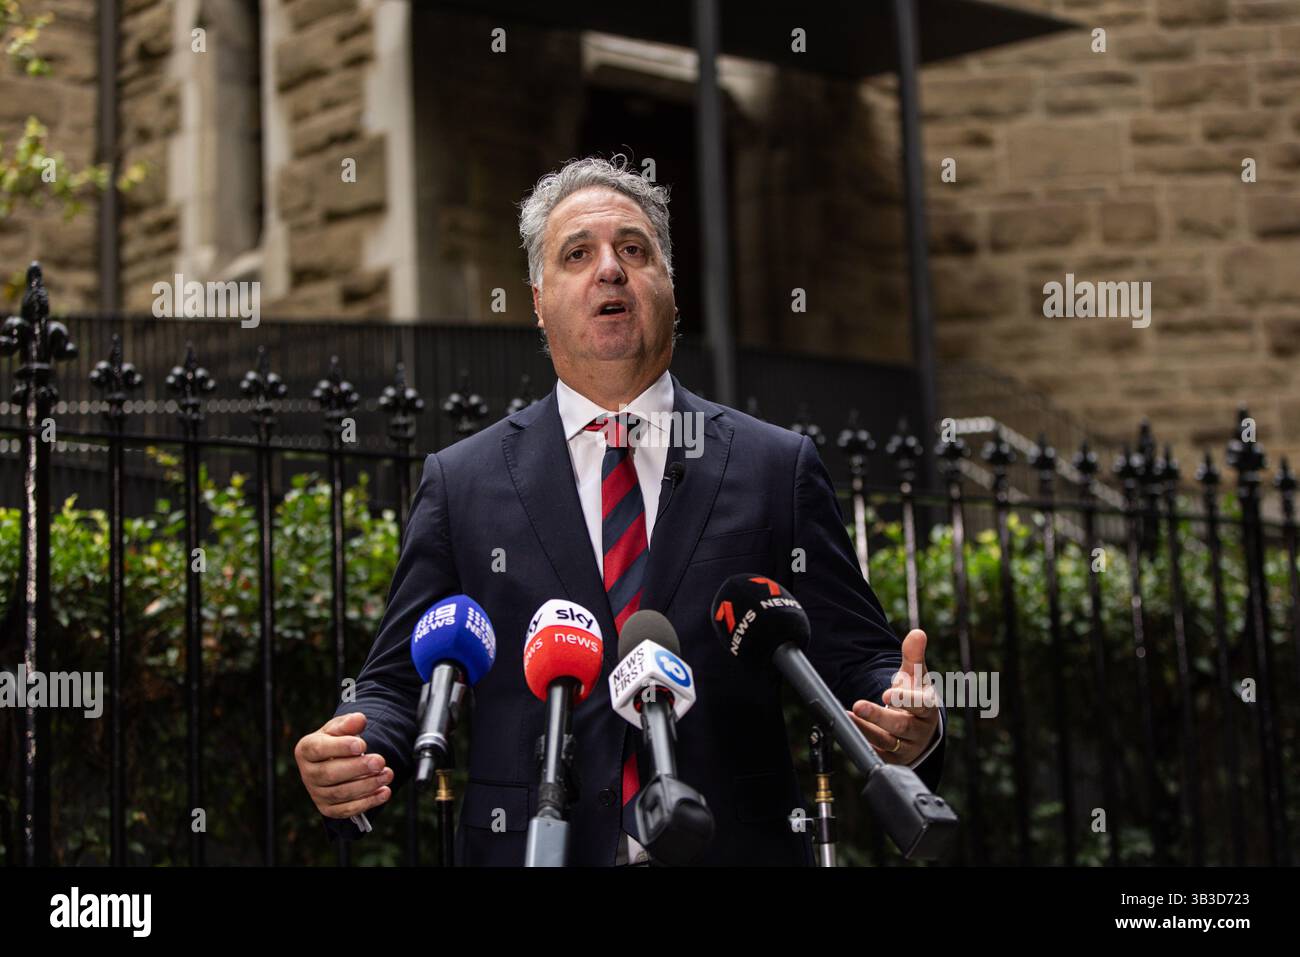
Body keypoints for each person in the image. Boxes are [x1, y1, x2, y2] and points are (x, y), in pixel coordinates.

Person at [294, 155, 945, 865]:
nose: (610, 268)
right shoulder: (462, 482)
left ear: (669, 285)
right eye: (578, 253)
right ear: (539, 300)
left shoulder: (773, 467)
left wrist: (908, 714)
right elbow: (396, 680)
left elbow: (861, 657)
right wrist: (352, 749)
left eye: (633, 250)